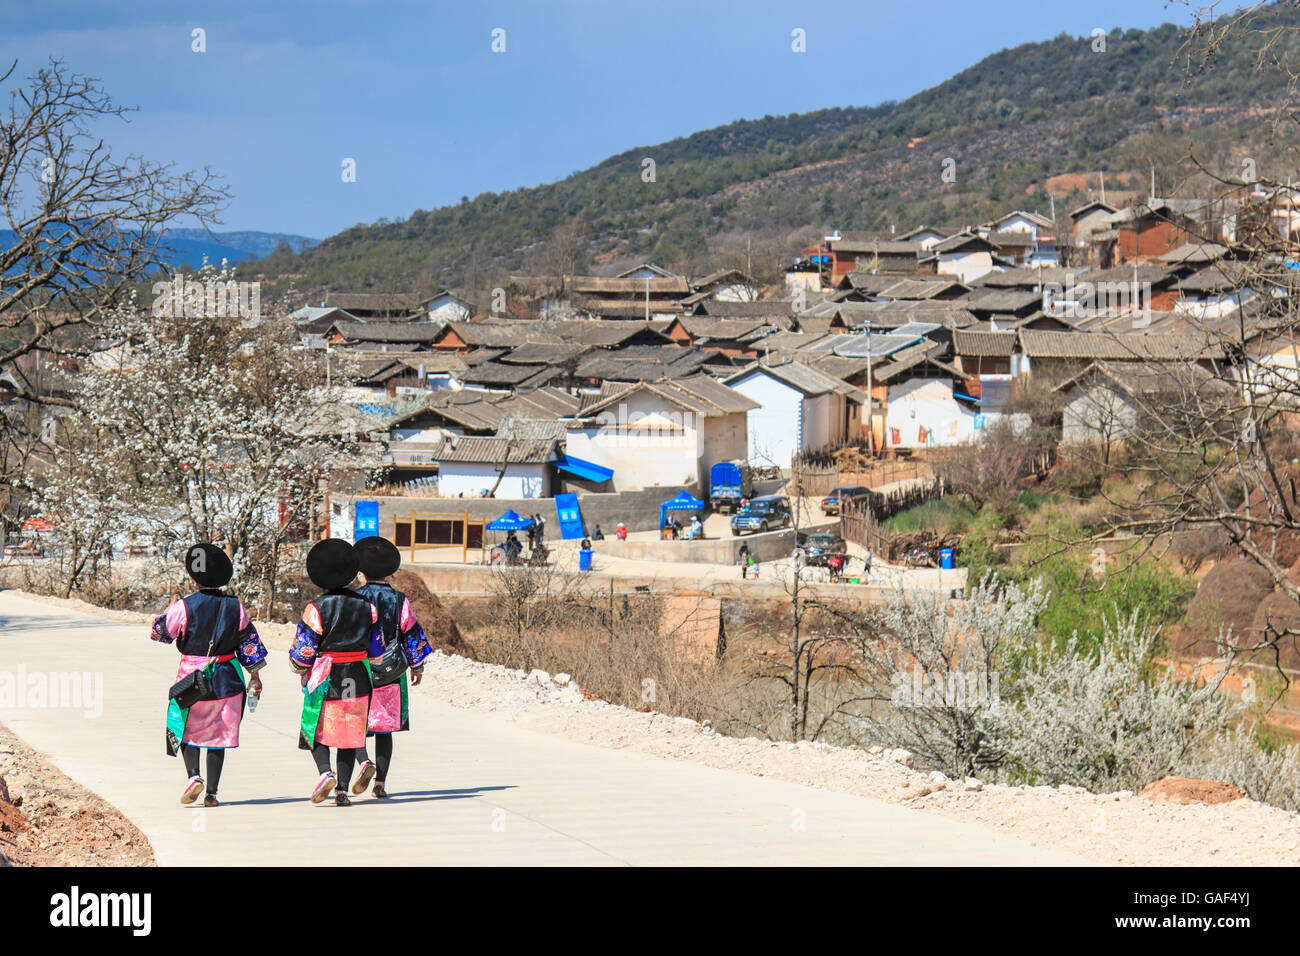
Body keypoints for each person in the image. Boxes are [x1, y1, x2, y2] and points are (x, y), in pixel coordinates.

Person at [152, 543, 268, 807]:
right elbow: (248, 644)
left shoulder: (184, 606)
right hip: (228, 678)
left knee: (186, 729)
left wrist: (169, 609)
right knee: (218, 736)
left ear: (193, 578)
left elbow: (161, 634)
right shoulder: (235, 606)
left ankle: (193, 777)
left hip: (191, 678)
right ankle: (212, 794)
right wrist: (255, 677)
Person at [290, 538, 386, 806]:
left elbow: (304, 652)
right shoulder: (368, 607)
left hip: (326, 675)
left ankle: (325, 773)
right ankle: (342, 791)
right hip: (358, 674)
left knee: (314, 727)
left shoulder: (316, 608)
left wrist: (299, 668)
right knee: (349, 732)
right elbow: (377, 651)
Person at [351, 537, 434, 799]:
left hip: (357, 668)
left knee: (354, 722)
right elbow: (411, 632)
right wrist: (417, 665)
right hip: (391, 671)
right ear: (390, 570)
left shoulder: (354, 597)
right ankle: (381, 784)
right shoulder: (400, 599)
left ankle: (364, 762)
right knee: (385, 727)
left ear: (361, 570)